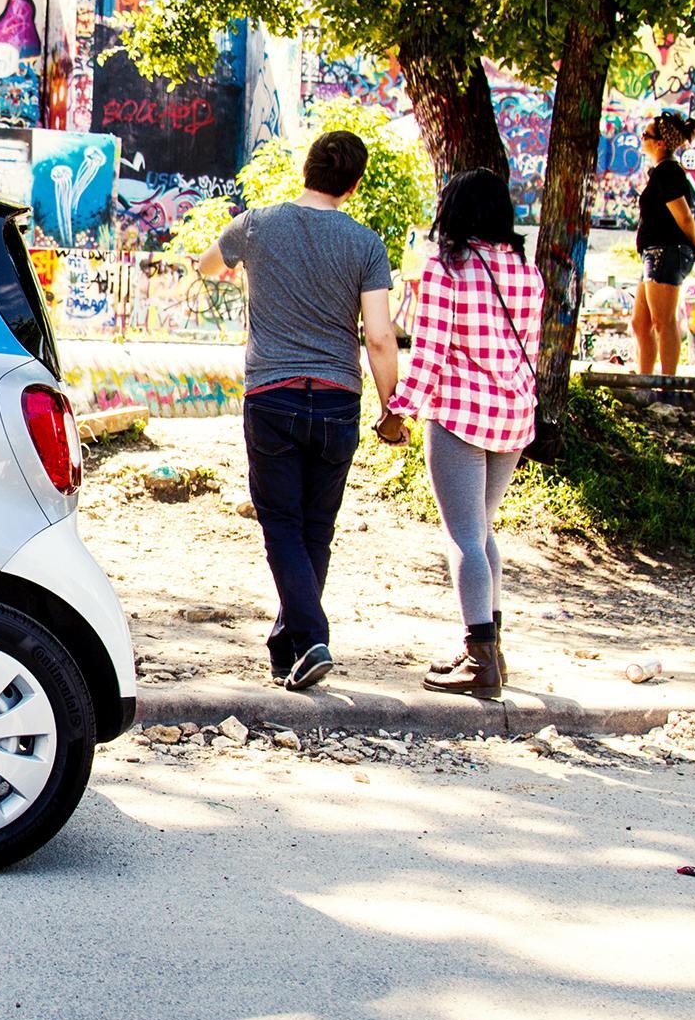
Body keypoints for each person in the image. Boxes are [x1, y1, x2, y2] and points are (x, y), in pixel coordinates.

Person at [200, 130, 399, 691]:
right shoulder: (366, 245)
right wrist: (392, 409)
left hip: (272, 397)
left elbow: (208, 265)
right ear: (354, 186)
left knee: (282, 524)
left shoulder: (257, 224)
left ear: (305, 169)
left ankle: (309, 636)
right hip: (339, 399)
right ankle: (288, 647)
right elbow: (380, 338)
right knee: (316, 528)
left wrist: (234, 269)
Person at [384, 170, 541, 700]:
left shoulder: (446, 268)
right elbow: (532, 352)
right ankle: (491, 649)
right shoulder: (526, 269)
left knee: (464, 538)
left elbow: (427, 353)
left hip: (460, 415)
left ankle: (479, 661)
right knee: (481, 530)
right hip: (514, 418)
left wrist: (398, 410)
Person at [631, 110, 695, 375]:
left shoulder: (668, 172)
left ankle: (666, 386)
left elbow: (684, 216)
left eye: (646, 135)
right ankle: (645, 383)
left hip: (666, 252)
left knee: (663, 321)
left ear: (661, 143)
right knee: (640, 323)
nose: (642, 138)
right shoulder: (661, 172)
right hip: (653, 254)